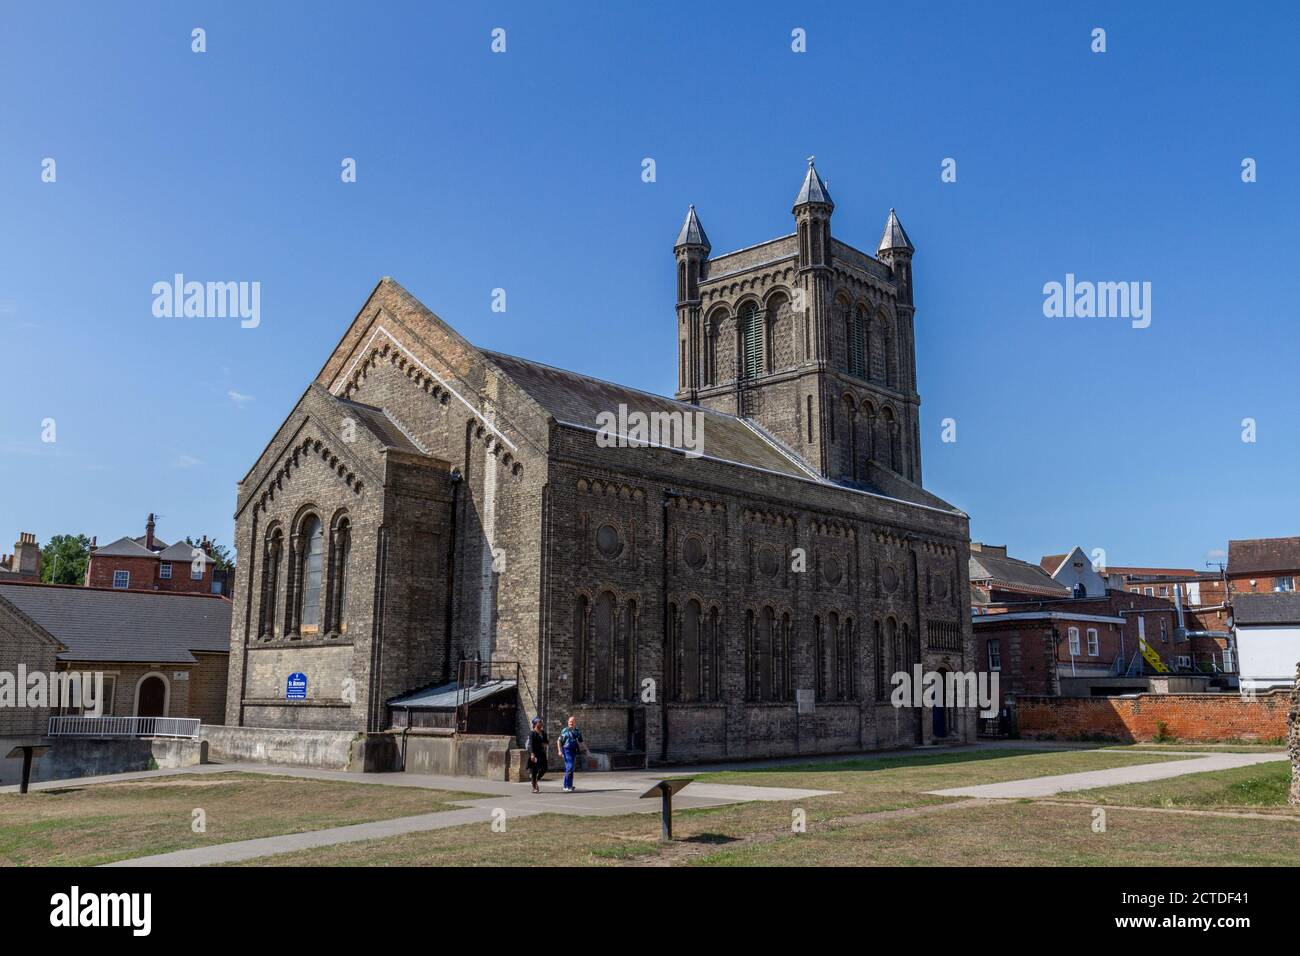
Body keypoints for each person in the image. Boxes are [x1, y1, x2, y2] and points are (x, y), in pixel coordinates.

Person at [556, 715, 587, 792]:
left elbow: (581, 741)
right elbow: (559, 741)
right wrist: (559, 751)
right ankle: (568, 786)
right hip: (567, 750)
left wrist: (587, 750)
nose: (571, 723)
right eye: (570, 722)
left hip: (574, 750)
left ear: (575, 723)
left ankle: (567, 785)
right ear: (568, 722)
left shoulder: (577, 731)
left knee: (571, 768)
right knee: (569, 767)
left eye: (572, 722)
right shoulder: (564, 731)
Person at [526, 717, 548, 793]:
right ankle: (534, 787)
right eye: (539, 722)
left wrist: (544, 744)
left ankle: (535, 781)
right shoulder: (532, 733)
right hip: (534, 753)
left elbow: (546, 742)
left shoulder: (543, 733)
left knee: (544, 768)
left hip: (542, 753)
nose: (541, 723)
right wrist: (532, 754)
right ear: (535, 723)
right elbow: (530, 744)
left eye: (541, 722)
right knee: (534, 770)